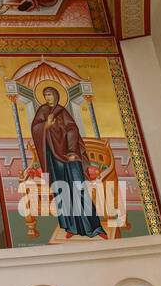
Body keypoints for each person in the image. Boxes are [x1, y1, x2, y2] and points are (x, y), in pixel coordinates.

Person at [30, 86, 106, 239]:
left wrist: (71, 150)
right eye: (45, 95)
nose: (47, 97)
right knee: (61, 190)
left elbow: (72, 129)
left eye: (50, 94)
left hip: (71, 157)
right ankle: (70, 227)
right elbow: (36, 129)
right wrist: (46, 125)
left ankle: (95, 227)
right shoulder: (42, 111)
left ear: (56, 95)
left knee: (79, 189)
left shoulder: (62, 111)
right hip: (54, 158)